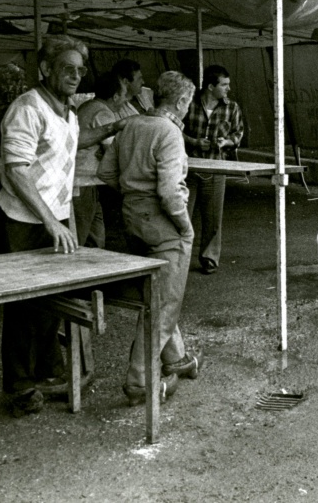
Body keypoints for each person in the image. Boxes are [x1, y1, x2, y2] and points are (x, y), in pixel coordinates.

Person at [0, 36, 129, 416]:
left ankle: (47, 373)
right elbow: (16, 170)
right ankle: (19, 387)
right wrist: (50, 220)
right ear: (45, 69)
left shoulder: (67, 112)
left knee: (51, 300)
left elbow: (73, 141)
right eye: (67, 68)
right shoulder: (27, 108)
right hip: (24, 220)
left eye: (80, 70)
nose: (75, 76)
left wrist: (114, 126)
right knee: (22, 304)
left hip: (54, 215)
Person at [98, 71, 202, 405]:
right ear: (182, 101)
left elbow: (105, 172)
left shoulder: (131, 124)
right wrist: (185, 225)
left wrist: (134, 195)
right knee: (164, 303)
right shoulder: (169, 132)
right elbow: (170, 192)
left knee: (158, 293)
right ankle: (139, 381)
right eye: (189, 102)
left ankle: (177, 358)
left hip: (133, 220)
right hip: (163, 225)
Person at [182, 64, 244, 275]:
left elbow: (238, 134)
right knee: (182, 214)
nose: (228, 88)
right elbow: (174, 128)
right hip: (189, 168)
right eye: (224, 85)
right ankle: (180, 257)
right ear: (210, 86)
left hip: (217, 167)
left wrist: (226, 142)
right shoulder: (189, 103)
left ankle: (209, 258)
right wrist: (194, 142)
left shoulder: (231, 107)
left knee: (213, 217)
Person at [74, 72, 128, 248]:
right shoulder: (103, 112)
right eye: (124, 95)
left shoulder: (88, 106)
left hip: (84, 180)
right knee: (80, 235)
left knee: (95, 234)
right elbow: (113, 151)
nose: (125, 100)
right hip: (83, 182)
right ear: (115, 96)